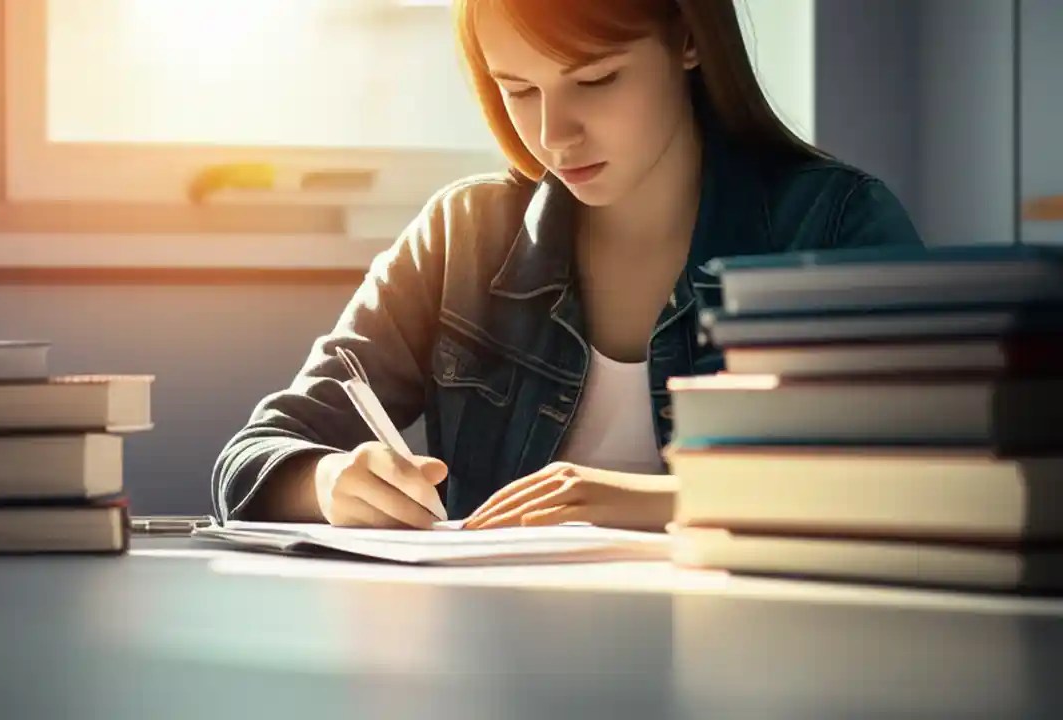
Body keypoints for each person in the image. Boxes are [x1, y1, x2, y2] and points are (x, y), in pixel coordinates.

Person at [210, 0, 922, 531]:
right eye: (518, 89)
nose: (554, 134)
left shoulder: (833, 226)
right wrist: (331, 479)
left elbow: (934, 481)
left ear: (687, 39)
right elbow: (254, 455)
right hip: (511, 661)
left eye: (596, 80)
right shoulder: (462, 237)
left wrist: (672, 503)